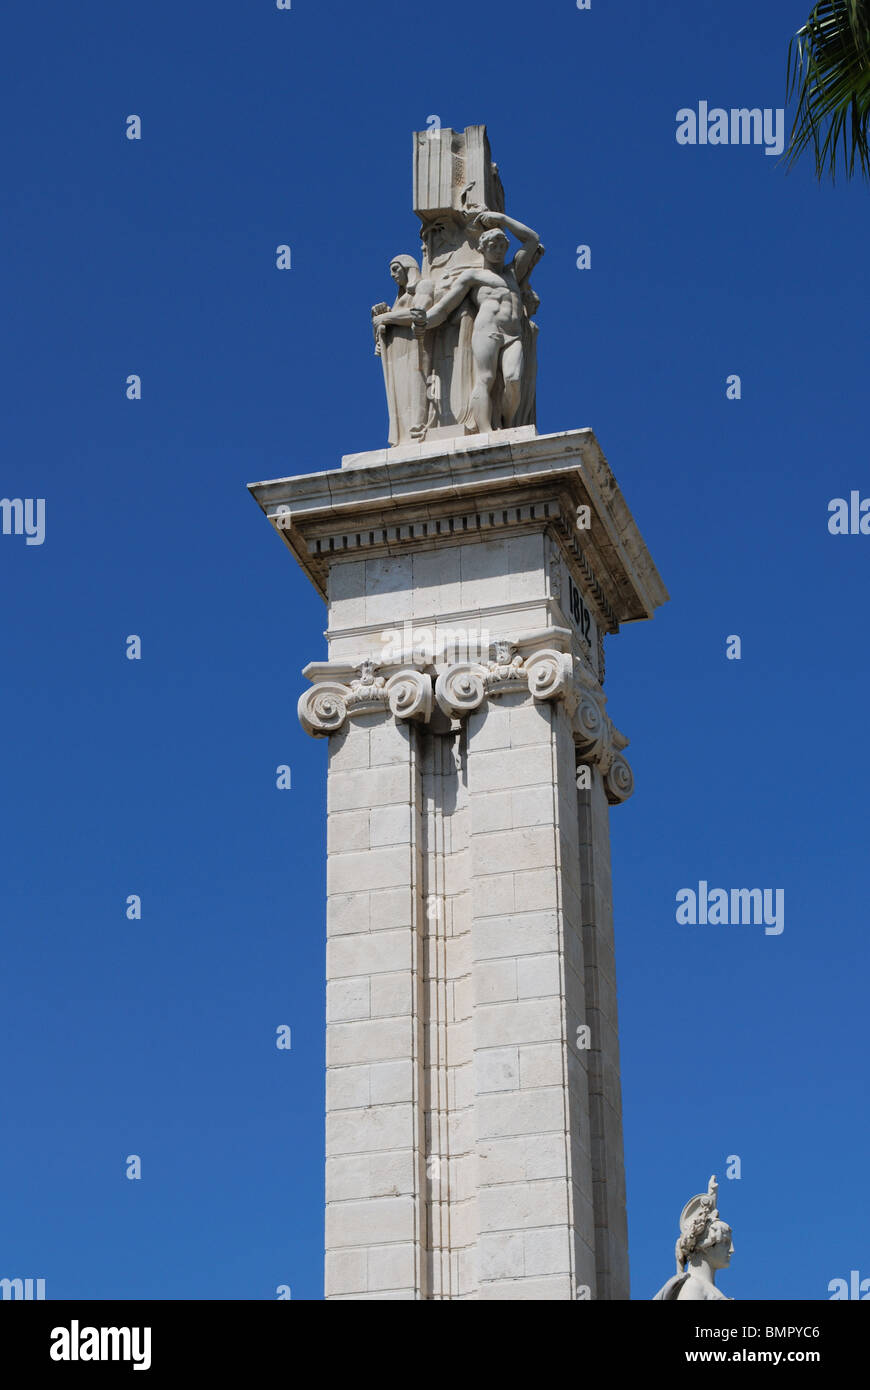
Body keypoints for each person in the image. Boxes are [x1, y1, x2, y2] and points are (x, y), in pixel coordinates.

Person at [409, 210, 541, 434]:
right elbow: (445, 308)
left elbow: (532, 239)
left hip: (513, 334)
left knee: (513, 379)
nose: (497, 250)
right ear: (482, 248)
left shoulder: (513, 273)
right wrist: (425, 320)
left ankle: (506, 422)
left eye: (501, 246)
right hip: (487, 330)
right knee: (485, 378)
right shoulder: (472, 277)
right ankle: (486, 429)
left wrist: (500, 219)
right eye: (492, 245)